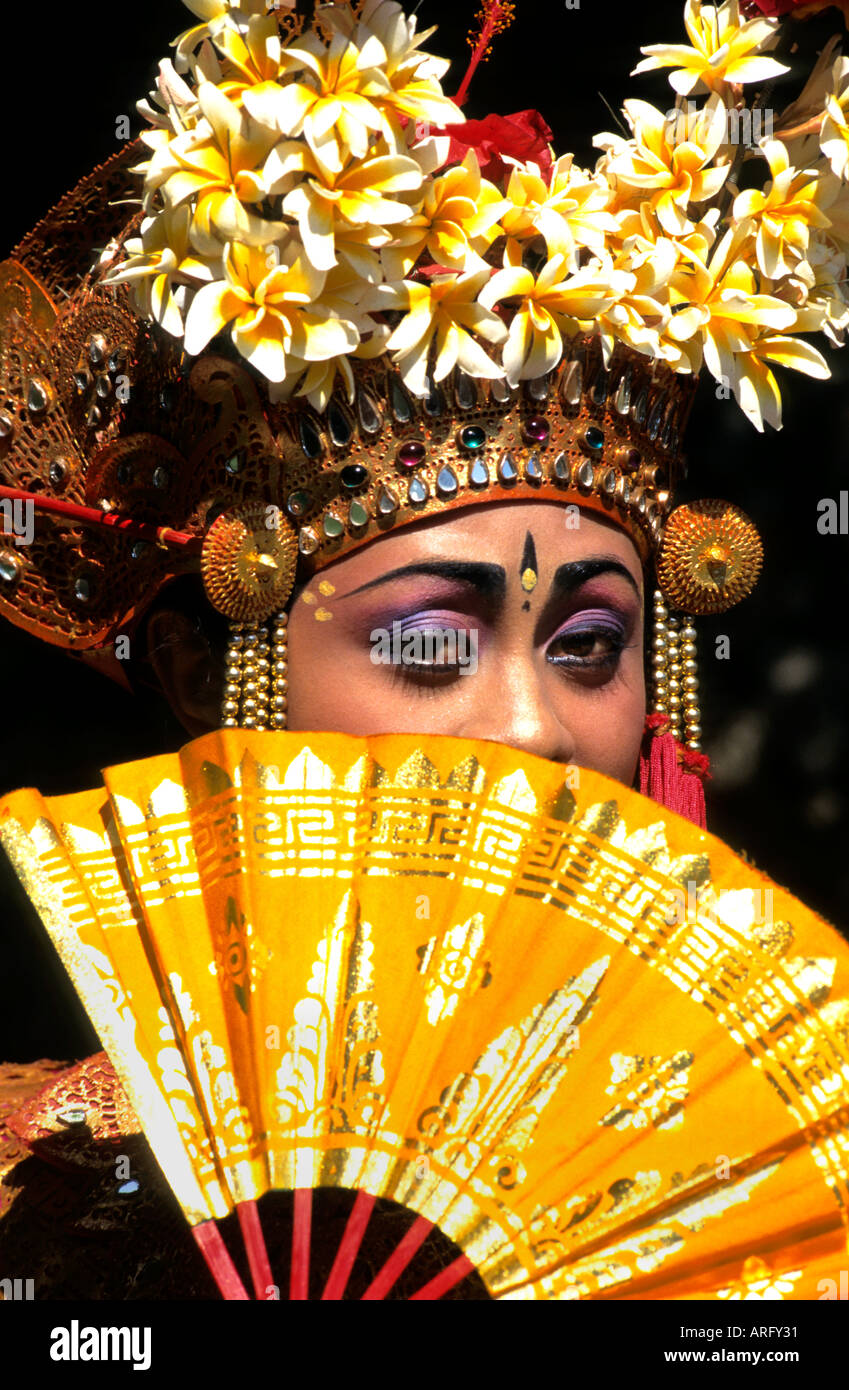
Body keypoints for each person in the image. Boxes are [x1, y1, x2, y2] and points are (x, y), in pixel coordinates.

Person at [0, 0, 847, 1300]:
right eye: (426, 639)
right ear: (203, 676)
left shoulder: (775, 1194)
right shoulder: (26, 1195)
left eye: (587, 645)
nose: (530, 729)